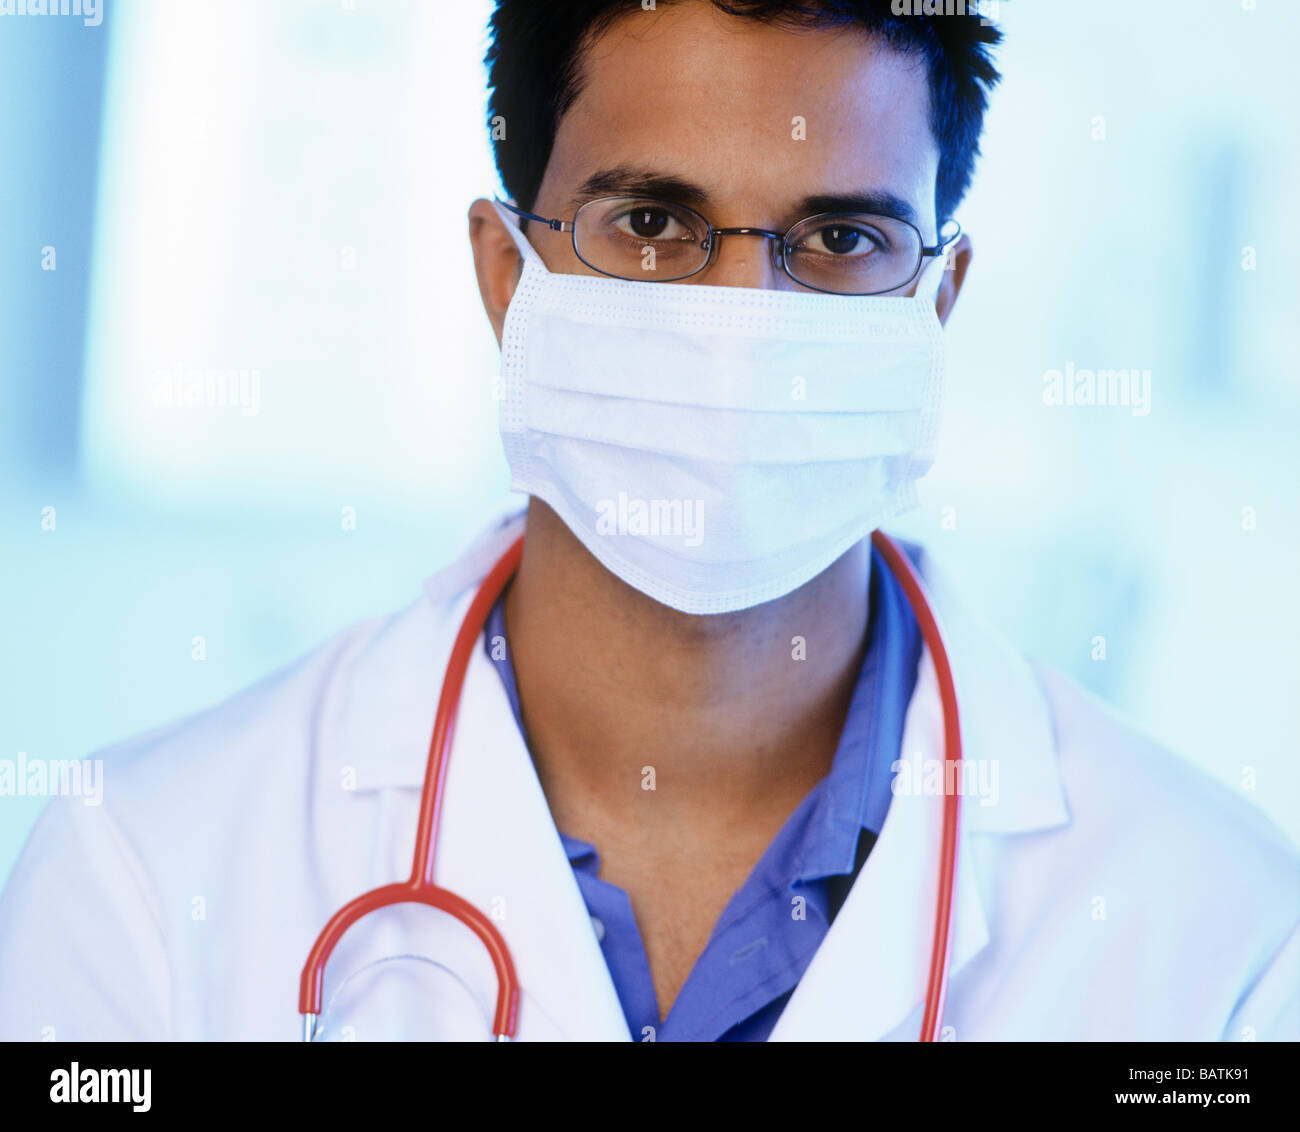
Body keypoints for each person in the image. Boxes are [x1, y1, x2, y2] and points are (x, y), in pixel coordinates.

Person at [0, 0, 1296, 1043]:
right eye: (654, 223)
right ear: (508, 278)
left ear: (937, 307)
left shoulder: (1221, 929)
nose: (743, 325)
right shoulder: (145, 879)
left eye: (840, 237)